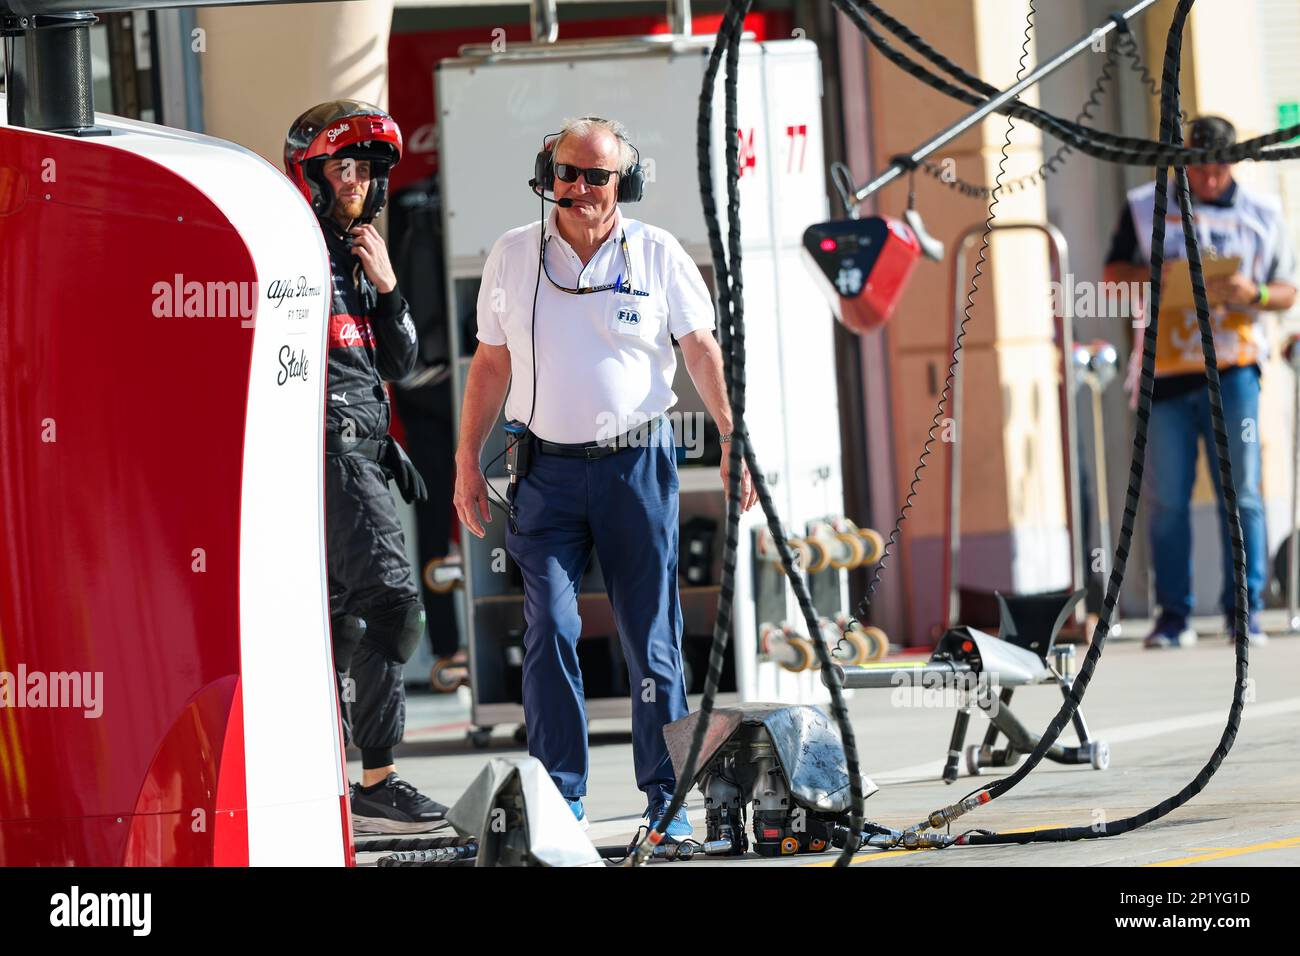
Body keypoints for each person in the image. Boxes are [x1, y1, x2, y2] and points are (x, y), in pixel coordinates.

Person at [453, 116, 757, 837]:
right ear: (545, 173)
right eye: (566, 172)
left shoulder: (657, 255)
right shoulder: (513, 255)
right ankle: (560, 796)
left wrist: (731, 435)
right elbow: (490, 362)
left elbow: (700, 351)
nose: (578, 188)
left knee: (651, 638)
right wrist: (467, 457)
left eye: (596, 176)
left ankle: (666, 800)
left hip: (636, 466)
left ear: (627, 183)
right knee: (551, 626)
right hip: (544, 473)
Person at [285, 100, 449, 832]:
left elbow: (401, 362)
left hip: (361, 454)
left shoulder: (360, 252)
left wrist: (386, 284)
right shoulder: (290, 248)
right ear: (312, 173)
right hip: (326, 457)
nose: (355, 181)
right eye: (341, 167)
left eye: (366, 169)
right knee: (392, 607)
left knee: (342, 621)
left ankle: (328, 776)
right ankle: (377, 779)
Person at [1104, 115, 1297, 649]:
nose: (1208, 178)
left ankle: (1244, 611)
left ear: (1235, 161)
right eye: (1198, 167)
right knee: (1167, 500)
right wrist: (1157, 277)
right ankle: (1173, 616)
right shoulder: (1147, 206)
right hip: (1164, 373)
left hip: (1233, 371)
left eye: (1218, 168)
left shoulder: (1263, 213)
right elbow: (1111, 276)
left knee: (1242, 495)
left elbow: (1287, 290)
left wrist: (1250, 293)